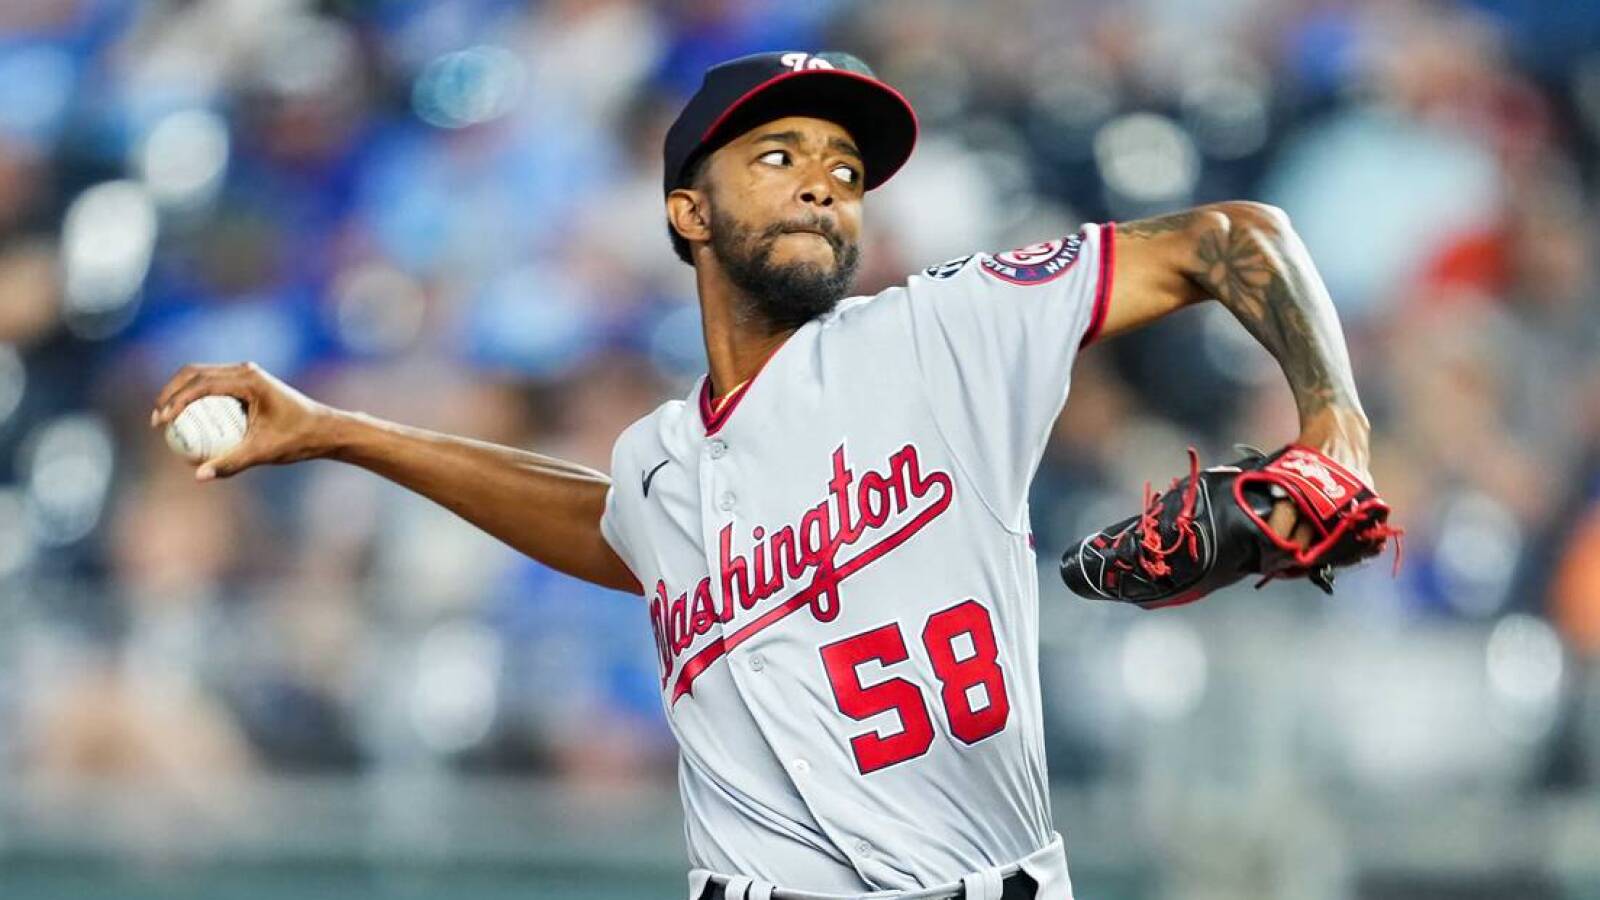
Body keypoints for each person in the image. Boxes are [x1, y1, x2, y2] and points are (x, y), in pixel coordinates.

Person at [152, 51, 1374, 900]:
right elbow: (615, 530)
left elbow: (1234, 237)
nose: (821, 184)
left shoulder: (940, 333)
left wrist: (1335, 435)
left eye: (846, 172)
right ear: (687, 211)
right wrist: (337, 430)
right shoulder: (659, 462)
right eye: (777, 155)